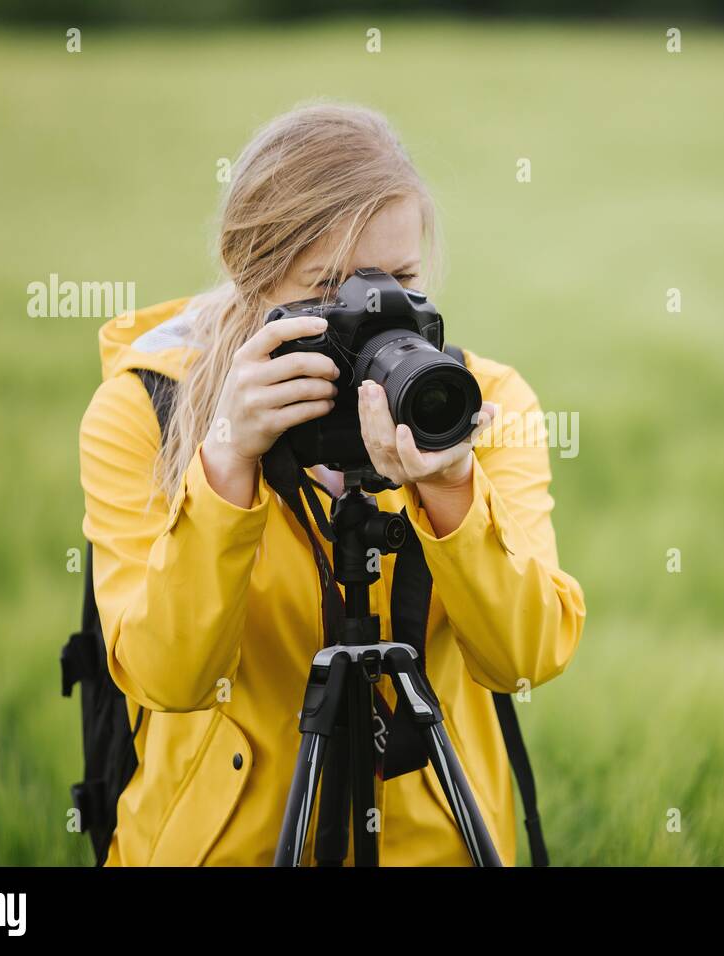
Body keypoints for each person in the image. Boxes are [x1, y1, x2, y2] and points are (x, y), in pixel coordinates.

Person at [78, 103, 585, 865]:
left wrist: (452, 492)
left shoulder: (480, 405)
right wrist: (227, 464)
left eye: (401, 279)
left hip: (431, 845)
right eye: (331, 289)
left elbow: (525, 658)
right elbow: (170, 678)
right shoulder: (145, 414)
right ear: (253, 280)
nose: (374, 317)